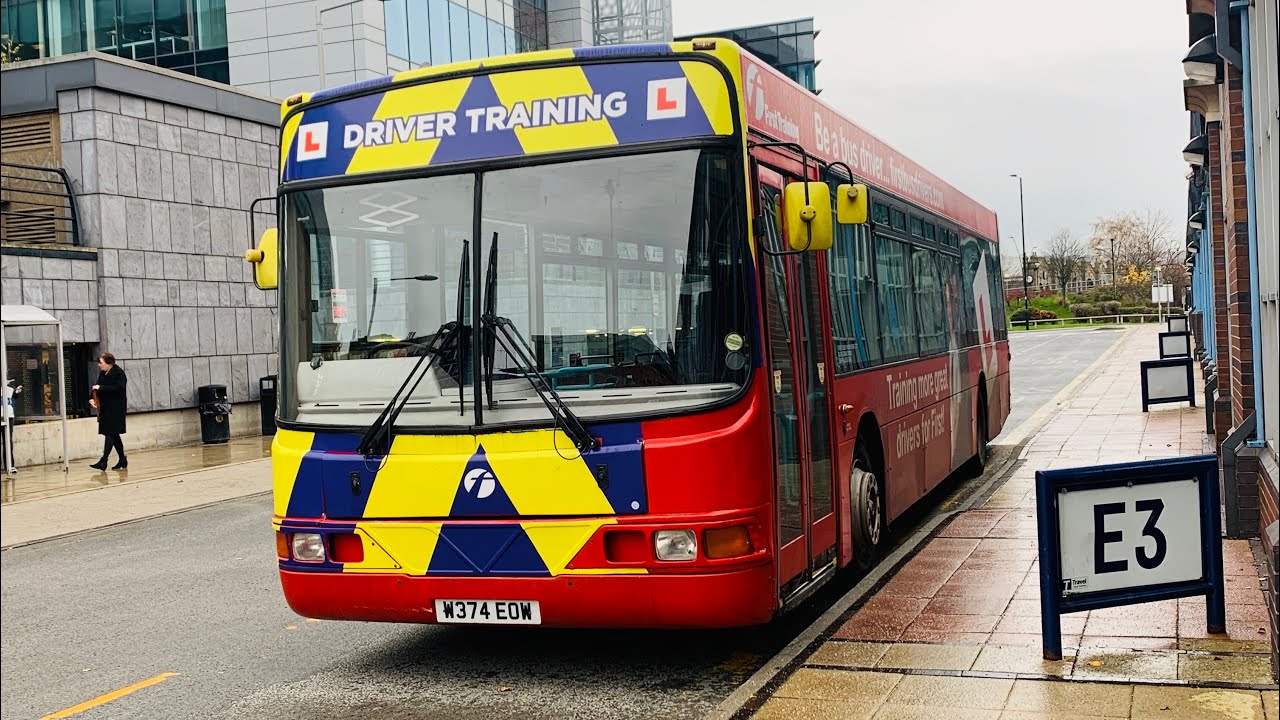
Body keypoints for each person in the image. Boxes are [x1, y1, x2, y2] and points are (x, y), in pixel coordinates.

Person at [89, 352, 127, 470]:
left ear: (109, 363)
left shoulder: (119, 373)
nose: (99, 365)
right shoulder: (103, 373)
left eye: (101, 363)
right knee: (113, 434)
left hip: (116, 409)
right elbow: (96, 386)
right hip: (105, 408)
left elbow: (119, 388)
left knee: (110, 433)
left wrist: (102, 388)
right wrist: (91, 398)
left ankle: (103, 461)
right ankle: (122, 460)